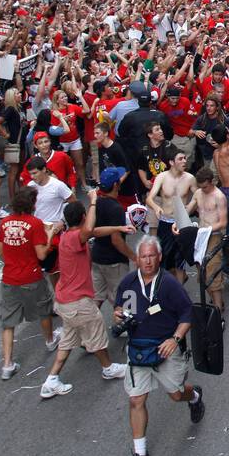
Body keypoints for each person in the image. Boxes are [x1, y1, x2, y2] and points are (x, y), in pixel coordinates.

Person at [114, 238, 205, 456]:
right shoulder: (127, 283)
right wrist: (119, 314)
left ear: (159, 257)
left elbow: (187, 314)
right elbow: (120, 306)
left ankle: (193, 396)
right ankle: (140, 454)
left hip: (165, 349)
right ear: (137, 259)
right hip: (137, 350)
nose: (147, 261)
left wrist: (175, 339)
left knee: (175, 395)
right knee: (136, 400)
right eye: (143, 256)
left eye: (151, 256)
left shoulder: (169, 284)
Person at [40, 194, 131, 399]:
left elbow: (94, 231)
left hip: (64, 301)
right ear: (83, 216)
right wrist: (92, 202)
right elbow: (90, 230)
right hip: (78, 302)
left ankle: (51, 380)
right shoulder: (75, 237)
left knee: (67, 342)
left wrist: (118, 229)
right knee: (96, 336)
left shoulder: (68, 235)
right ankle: (108, 368)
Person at [0, 186, 61, 381]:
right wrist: (50, 235)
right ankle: (50, 340)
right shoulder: (35, 223)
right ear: (32, 204)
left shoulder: (5, 223)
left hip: (9, 278)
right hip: (31, 276)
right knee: (44, 309)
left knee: (8, 321)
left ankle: (7, 364)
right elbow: (41, 254)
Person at [146, 148, 197, 282]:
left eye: (185, 158)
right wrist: (156, 207)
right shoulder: (162, 177)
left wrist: (190, 208)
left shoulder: (190, 178)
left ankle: (179, 291)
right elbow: (149, 198)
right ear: (171, 162)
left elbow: (198, 197)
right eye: (180, 159)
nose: (184, 161)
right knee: (164, 260)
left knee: (180, 261)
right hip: (165, 222)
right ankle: (165, 288)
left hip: (181, 223)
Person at [90, 166, 137, 308]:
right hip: (114, 262)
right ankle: (124, 329)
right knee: (123, 300)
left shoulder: (95, 202)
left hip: (97, 258)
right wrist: (134, 257)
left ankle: (91, 328)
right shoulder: (116, 208)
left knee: (97, 297)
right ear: (116, 185)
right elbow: (116, 241)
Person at [185, 166, 229, 311]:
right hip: (200, 236)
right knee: (202, 272)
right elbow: (189, 209)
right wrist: (179, 219)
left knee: (212, 272)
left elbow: (223, 222)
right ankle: (218, 303)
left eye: (205, 187)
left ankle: (217, 310)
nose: (203, 189)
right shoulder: (198, 192)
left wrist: (207, 229)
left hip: (214, 236)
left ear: (211, 182)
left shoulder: (219, 196)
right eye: (201, 187)